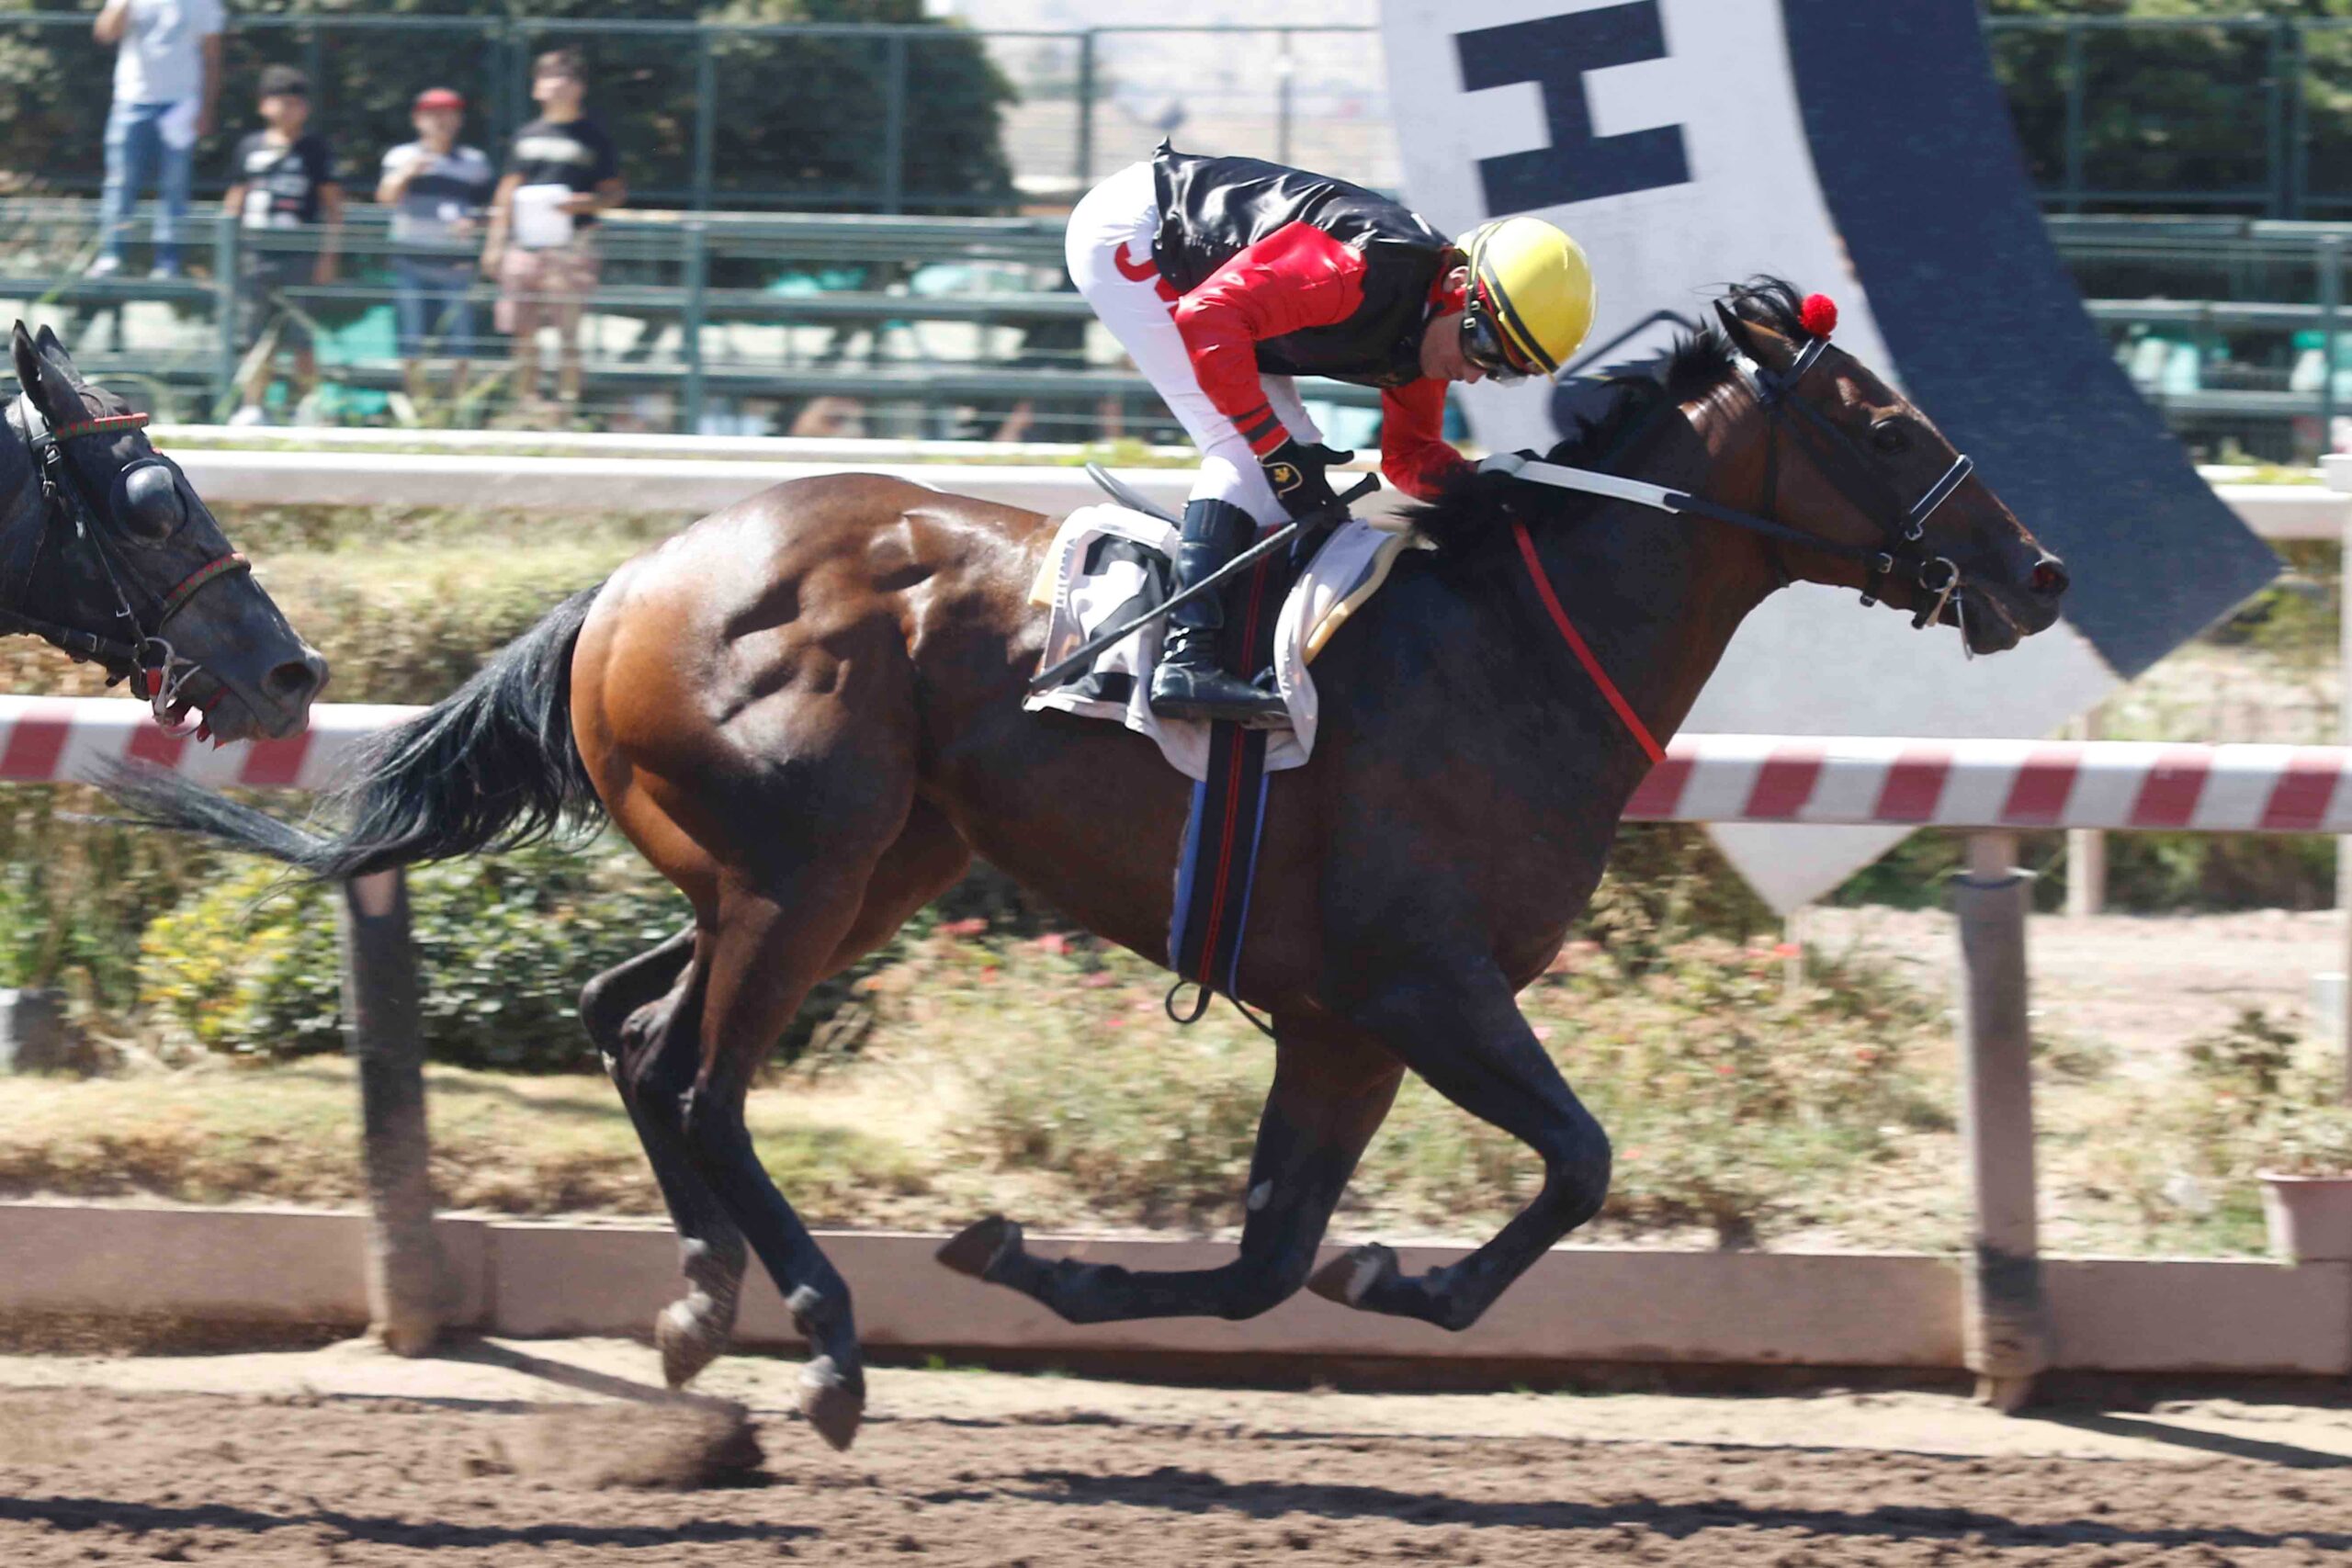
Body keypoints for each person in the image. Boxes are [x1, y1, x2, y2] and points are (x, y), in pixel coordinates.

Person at [1065, 144, 1597, 724]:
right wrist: (1271, 446)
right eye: (1486, 346)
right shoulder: (1364, 268)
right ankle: (1186, 657)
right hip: (1138, 228)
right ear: (1457, 287)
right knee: (1248, 449)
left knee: (1287, 449)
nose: (1476, 372)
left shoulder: (1435, 330)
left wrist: (1490, 484)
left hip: (1208, 276)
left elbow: (1408, 456)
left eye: (1504, 372)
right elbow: (1208, 317)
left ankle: (1233, 632)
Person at [481, 48, 624, 424]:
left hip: (572, 246)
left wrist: (586, 204)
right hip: (524, 248)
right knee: (521, 329)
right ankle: (526, 403)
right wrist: (495, 243)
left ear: (579, 87)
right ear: (535, 89)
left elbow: (614, 193)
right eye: (547, 79)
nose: (555, 87)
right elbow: (507, 191)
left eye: (564, 79)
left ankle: (568, 405)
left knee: (567, 332)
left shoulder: (594, 137)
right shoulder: (525, 136)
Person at [221, 65, 344, 426]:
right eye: (281, 102)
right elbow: (235, 200)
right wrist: (231, 250)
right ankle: (253, 406)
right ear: (264, 105)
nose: (289, 110)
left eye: (296, 103)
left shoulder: (316, 149)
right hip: (256, 254)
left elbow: (334, 206)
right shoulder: (249, 147)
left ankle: (310, 404)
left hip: (299, 255)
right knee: (256, 336)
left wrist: (328, 257)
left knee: (300, 335)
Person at [378, 87, 496, 411]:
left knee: (461, 339)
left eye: (449, 113)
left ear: (459, 120)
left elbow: (491, 211)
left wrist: (474, 222)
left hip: (455, 264)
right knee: (411, 338)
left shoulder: (475, 163)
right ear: (418, 120)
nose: (442, 121)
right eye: (433, 114)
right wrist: (407, 174)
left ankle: (460, 407)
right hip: (410, 261)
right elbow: (385, 197)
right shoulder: (401, 157)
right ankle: (417, 406)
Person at [90, 0, 223, 278]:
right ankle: (112, 255)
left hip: (180, 106)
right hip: (132, 102)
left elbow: (212, 56)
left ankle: (168, 262)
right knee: (121, 183)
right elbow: (105, 33)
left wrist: (207, 108)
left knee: (174, 187)